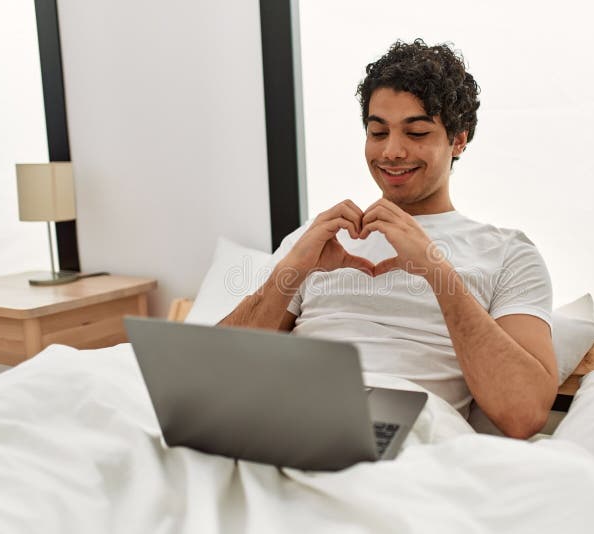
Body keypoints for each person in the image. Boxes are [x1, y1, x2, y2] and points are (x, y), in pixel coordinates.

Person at [220, 39, 557, 438]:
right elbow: (214, 374)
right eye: (378, 132)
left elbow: (523, 414)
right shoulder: (320, 238)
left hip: (410, 433)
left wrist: (435, 270)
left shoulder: (507, 254)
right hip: (288, 415)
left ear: (459, 140)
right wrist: (293, 268)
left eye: (416, 132)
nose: (392, 151)